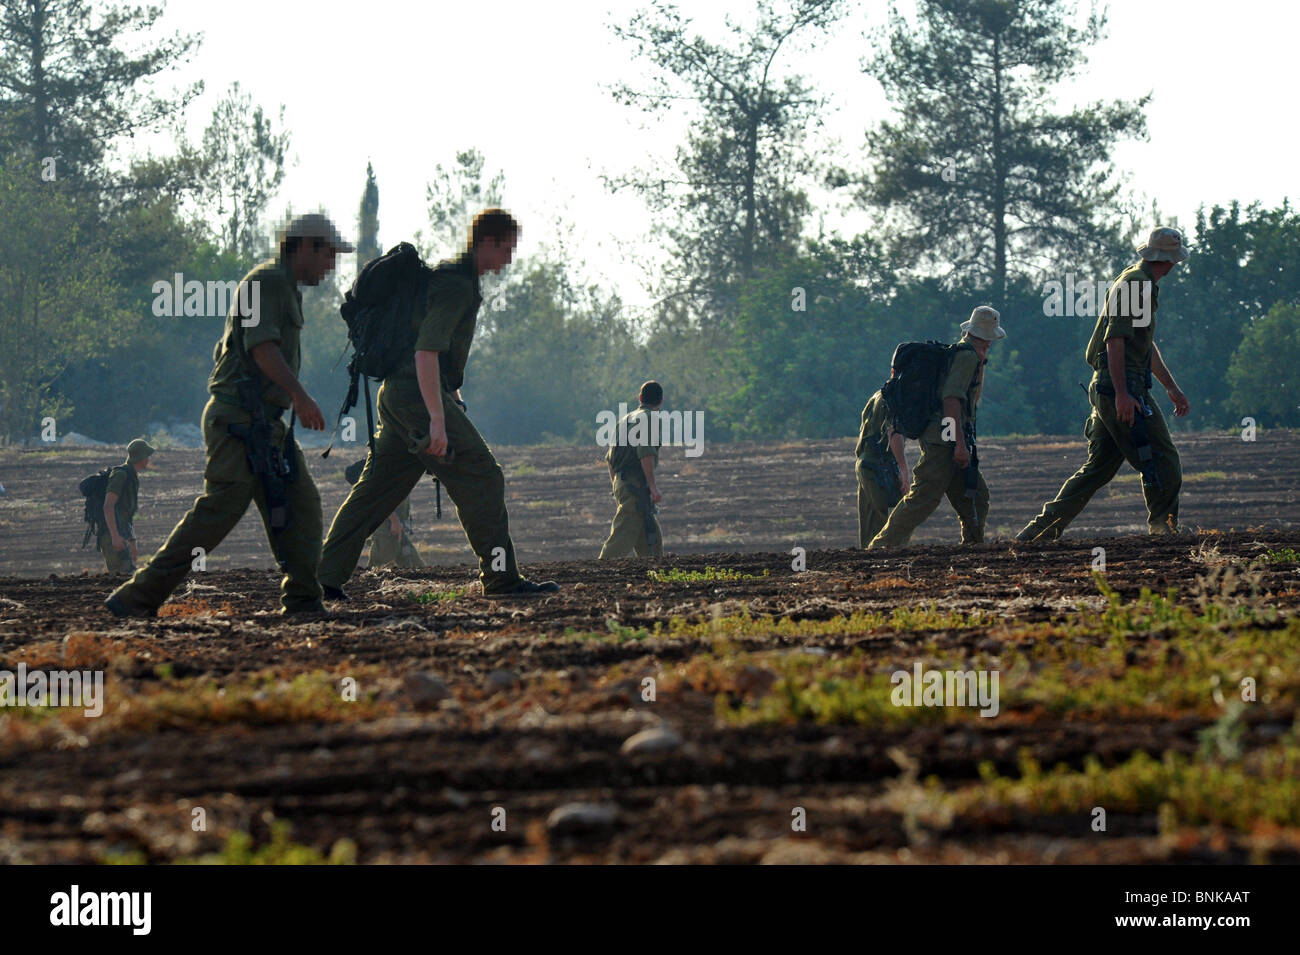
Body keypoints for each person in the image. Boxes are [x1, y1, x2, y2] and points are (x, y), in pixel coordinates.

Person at [105, 213, 349, 617]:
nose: (331, 266)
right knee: (220, 509)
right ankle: (137, 597)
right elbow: (262, 347)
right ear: (305, 246)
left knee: (301, 505)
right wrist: (300, 396)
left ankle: (304, 601)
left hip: (265, 424)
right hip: (238, 420)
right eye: (329, 255)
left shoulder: (286, 288)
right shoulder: (265, 282)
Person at [318, 209, 557, 600]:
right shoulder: (457, 284)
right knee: (484, 477)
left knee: (375, 490)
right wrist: (437, 420)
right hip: (415, 398)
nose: (509, 259)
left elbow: (433, 358)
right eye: (507, 249)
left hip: (398, 395)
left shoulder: (448, 277)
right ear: (489, 242)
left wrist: (450, 401)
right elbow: (425, 353)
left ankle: (323, 578)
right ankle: (501, 578)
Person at [1018, 227, 1190, 542]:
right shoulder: (1136, 286)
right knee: (1163, 460)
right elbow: (1115, 341)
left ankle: (1035, 534)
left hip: (1112, 386)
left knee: (1098, 468)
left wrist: (1171, 386)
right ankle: (1164, 531)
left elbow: (1144, 345)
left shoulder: (1140, 282)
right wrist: (1123, 395)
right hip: (1119, 387)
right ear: (1167, 261)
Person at [868, 307, 1005, 549]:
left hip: (948, 437)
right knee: (923, 498)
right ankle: (880, 547)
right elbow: (951, 399)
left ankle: (973, 550)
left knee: (975, 497)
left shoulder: (967, 354)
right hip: (945, 440)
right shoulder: (966, 357)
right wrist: (958, 445)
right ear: (987, 336)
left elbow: (968, 400)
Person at [598, 380, 664, 559]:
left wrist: (617, 487)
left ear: (640, 398)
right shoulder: (649, 419)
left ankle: (657, 572)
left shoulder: (624, 420)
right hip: (635, 485)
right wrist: (653, 487)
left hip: (623, 483)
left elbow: (610, 459)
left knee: (650, 536)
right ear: (661, 401)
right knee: (622, 534)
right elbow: (645, 454)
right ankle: (600, 571)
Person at [343, 458, 425, 569]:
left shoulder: (387, 469)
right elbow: (381, 500)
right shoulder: (383, 468)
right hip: (387, 529)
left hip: (395, 528)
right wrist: (394, 521)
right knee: (377, 570)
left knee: (417, 569)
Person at [854, 389, 908, 548]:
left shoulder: (879, 395)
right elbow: (894, 433)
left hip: (866, 463)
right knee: (886, 524)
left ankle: (872, 561)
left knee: (870, 523)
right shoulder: (895, 396)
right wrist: (903, 470)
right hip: (878, 466)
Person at [99, 438, 155, 574]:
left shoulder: (131, 475)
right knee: (120, 579)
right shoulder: (121, 475)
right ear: (141, 457)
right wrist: (115, 537)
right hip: (112, 535)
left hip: (122, 534)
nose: (148, 459)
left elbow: (126, 514)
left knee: (128, 576)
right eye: (147, 456)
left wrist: (132, 541)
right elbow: (108, 506)